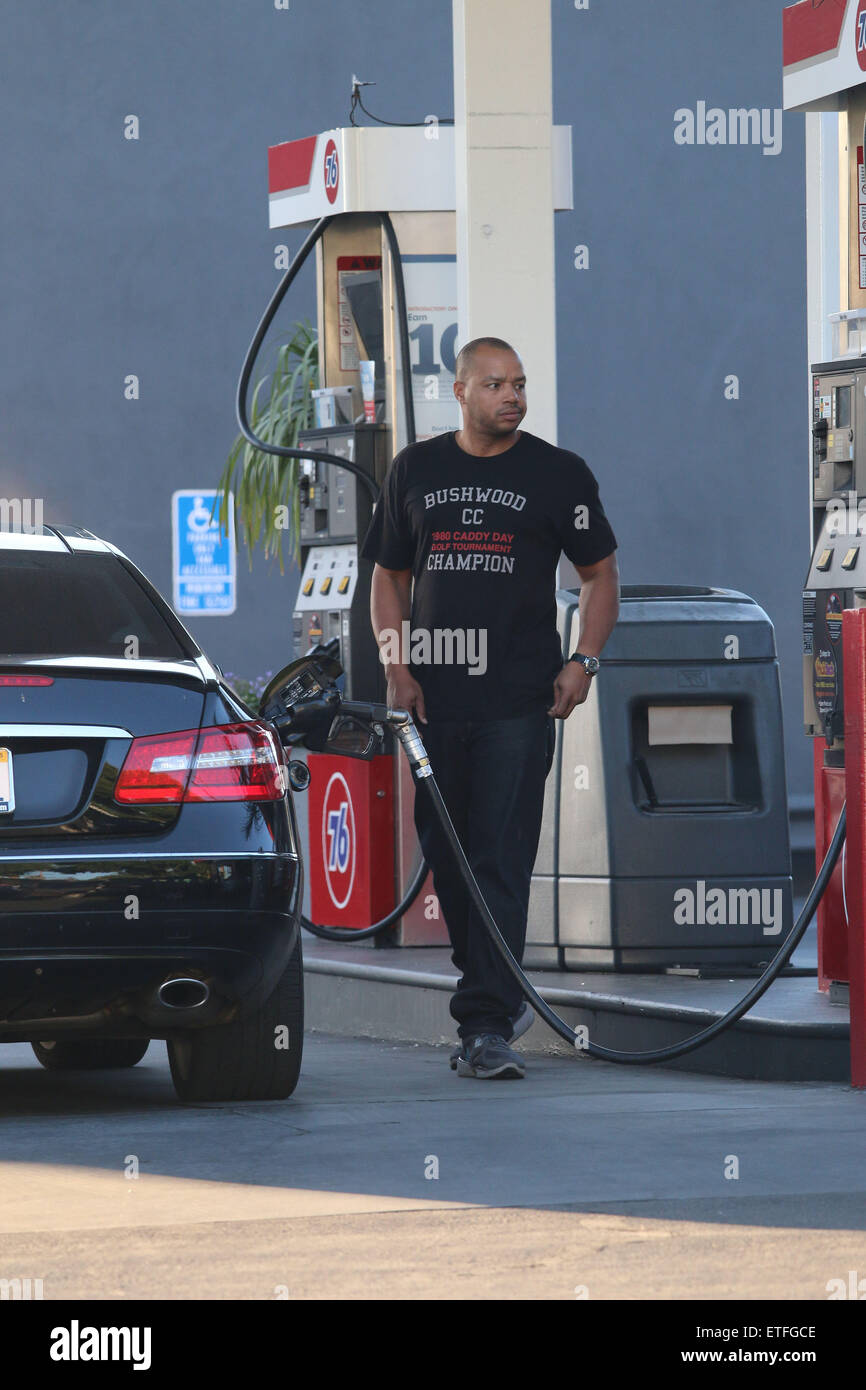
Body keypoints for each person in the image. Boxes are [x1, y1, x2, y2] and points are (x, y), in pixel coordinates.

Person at [361, 337, 619, 1080]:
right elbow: (390, 576)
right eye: (497, 384)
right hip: (437, 701)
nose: (513, 396)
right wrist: (395, 664)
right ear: (461, 390)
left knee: (500, 860)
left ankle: (484, 1023)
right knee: (448, 855)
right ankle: (485, 1001)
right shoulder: (416, 468)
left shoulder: (556, 473)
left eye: (521, 384)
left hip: (518, 698)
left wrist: (584, 661)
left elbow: (601, 575)